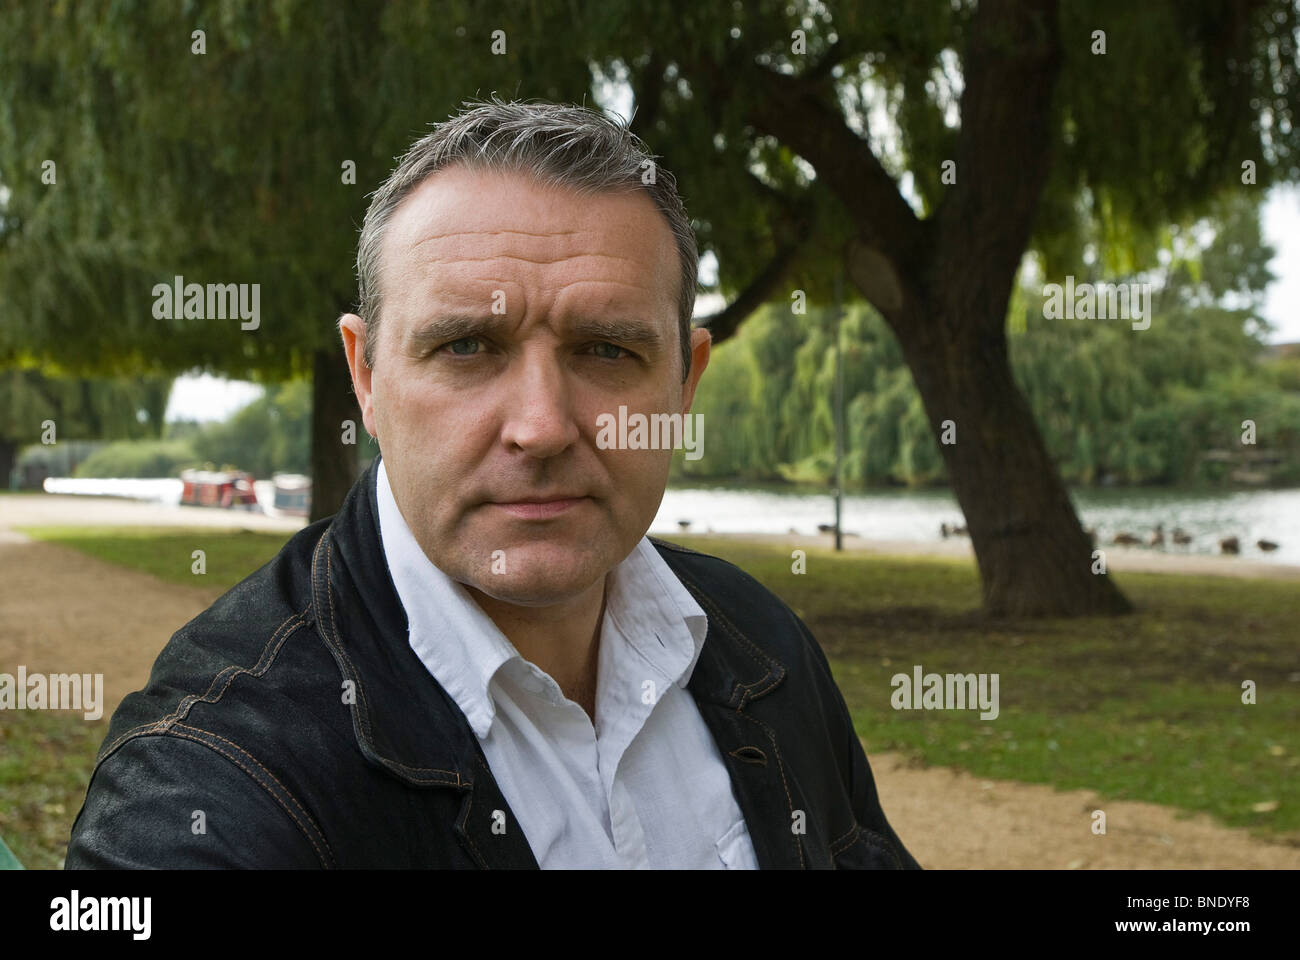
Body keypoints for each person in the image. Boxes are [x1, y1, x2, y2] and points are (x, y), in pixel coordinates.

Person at [65, 98, 919, 869]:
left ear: (684, 385)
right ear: (366, 377)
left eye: (607, 350)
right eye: (467, 347)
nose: (542, 427)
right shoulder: (214, 772)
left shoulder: (762, 647)